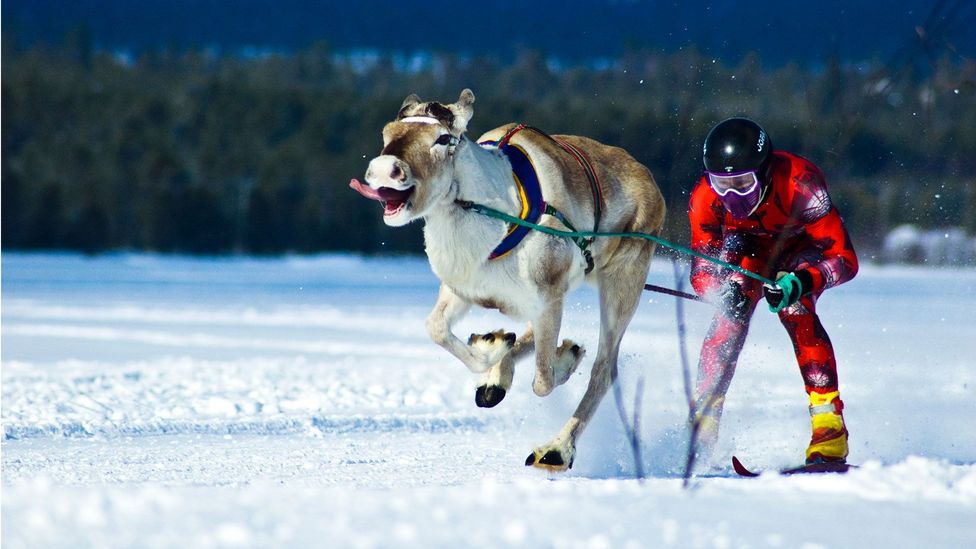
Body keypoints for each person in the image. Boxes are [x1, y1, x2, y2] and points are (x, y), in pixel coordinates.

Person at [687, 117, 859, 465]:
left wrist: (802, 282)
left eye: (742, 183)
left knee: (796, 311)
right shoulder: (705, 198)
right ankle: (703, 423)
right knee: (728, 317)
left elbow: (844, 258)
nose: (732, 195)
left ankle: (829, 427)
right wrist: (720, 293)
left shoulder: (801, 184)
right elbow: (702, 268)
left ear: (764, 172)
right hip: (747, 249)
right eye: (722, 184)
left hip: (800, 249)